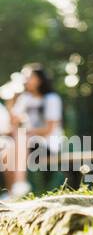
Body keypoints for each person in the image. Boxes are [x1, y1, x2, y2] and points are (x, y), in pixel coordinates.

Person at [2, 63, 64, 199]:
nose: (25, 80)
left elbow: (49, 129)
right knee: (6, 150)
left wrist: (27, 132)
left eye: (28, 77)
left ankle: (20, 183)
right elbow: (13, 123)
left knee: (21, 137)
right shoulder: (25, 98)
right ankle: (13, 192)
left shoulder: (51, 99)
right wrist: (11, 99)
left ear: (39, 79)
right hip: (26, 143)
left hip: (48, 145)